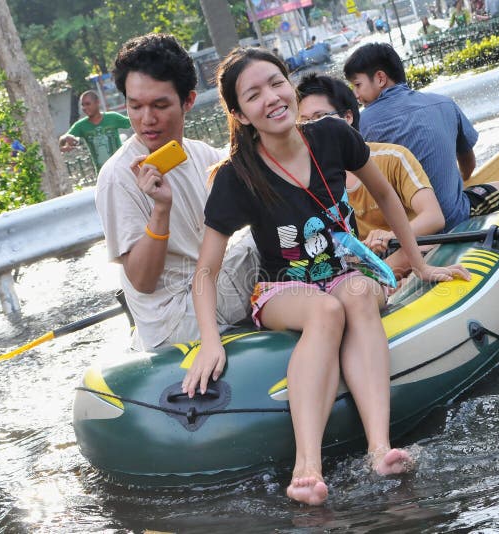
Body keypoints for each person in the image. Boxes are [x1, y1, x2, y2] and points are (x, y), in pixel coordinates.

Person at [185, 47, 471, 506]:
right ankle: (307, 467)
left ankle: (380, 448)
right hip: (285, 289)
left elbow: (387, 196)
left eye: (277, 83)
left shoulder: (333, 135)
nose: (272, 98)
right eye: (253, 95)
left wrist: (420, 265)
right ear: (239, 113)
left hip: (347, 272)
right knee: (325, 309)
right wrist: (210, 338)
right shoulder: (236, 177)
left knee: (354, 293)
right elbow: (206, 269)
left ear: (290, 84)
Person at [94, 33, 259, 351]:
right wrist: (161, 210)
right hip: (177, 320)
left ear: (188, 101)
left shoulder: (205, 156)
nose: (146, 119)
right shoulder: (117, 176)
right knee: (260, 243)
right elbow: (142, 281)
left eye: (159, 105)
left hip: (208, 291)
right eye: (135, 106)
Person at [344, 43, 499, 231]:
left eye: (357, 85)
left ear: (380, 78)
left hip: (403, 230)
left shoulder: (360, 123)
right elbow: (468, 166)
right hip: (454, 217)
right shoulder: (444, 103)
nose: (355, 95)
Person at [296, 73, 444, 279]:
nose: (313, 129)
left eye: (319, 118)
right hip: (359, 266)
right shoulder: (303, 181)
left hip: (410, 248)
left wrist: (390, 236)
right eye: (304, 123)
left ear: (347, 118)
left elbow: (434, 217)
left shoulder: (393, 157)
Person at [59, 90, 132, 173]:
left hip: (121, 169)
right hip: (102, 173)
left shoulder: (112, 117)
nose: (84, 108)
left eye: (88, 104)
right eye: (83, 105)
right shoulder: (81, 125)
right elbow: (63, 138)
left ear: (97, 102)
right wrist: (66, 139)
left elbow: (133, 123)